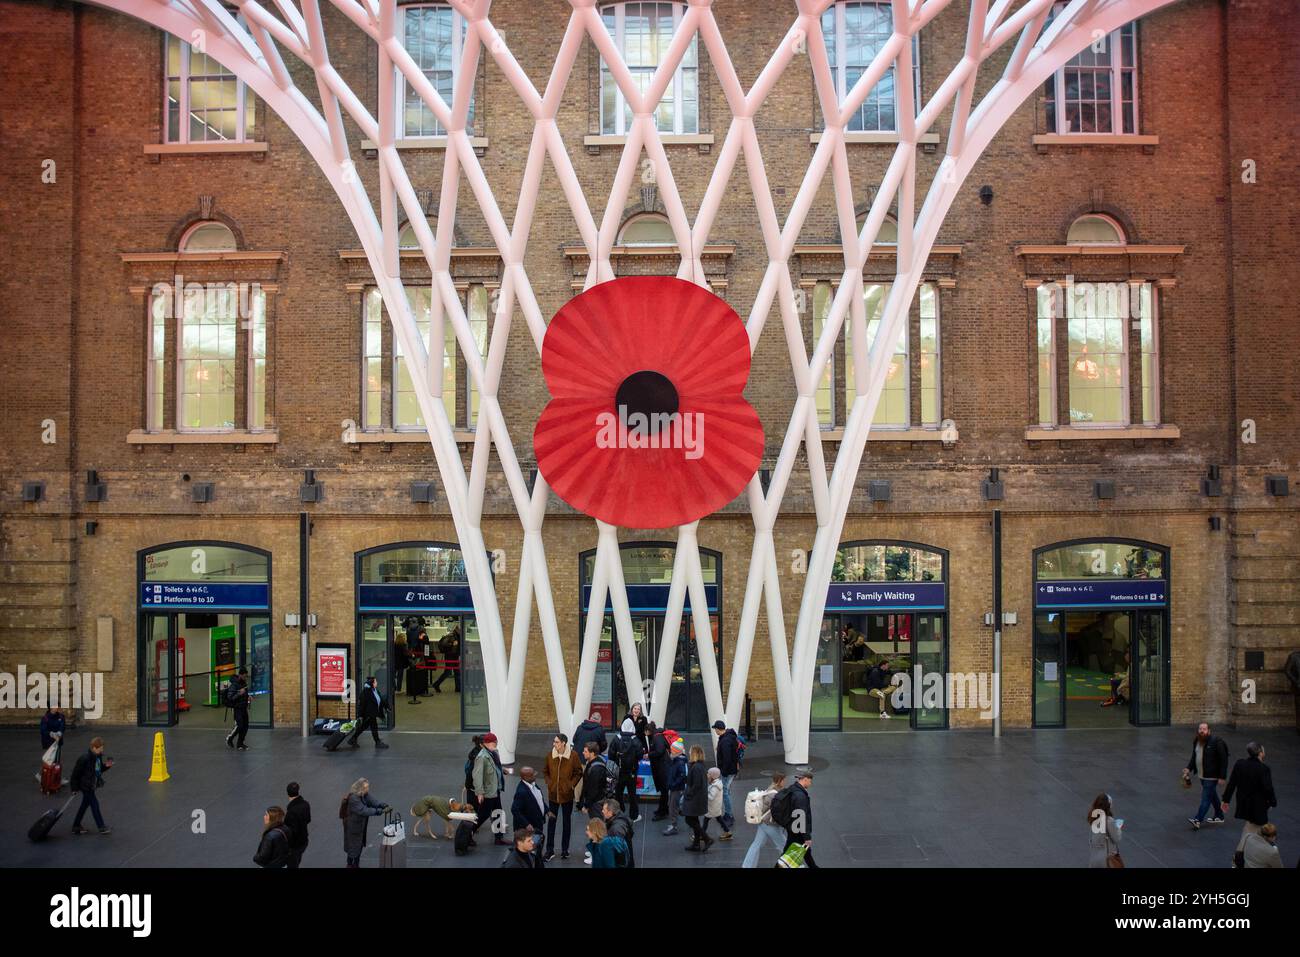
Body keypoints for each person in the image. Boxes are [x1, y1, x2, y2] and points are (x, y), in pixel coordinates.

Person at [1222, 741, 1277, 865]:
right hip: (1258, 808)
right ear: (1260, 753)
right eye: (1263, 750)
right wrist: (1273, 802)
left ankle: (1251, 857)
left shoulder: (1240, 764)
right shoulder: (1264, 769)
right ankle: (1238, 859)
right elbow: (1268, 788)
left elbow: (1232, 783)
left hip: (1244, 806)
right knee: (1250, 831)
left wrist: (1226, 800)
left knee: (1252, 830)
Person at [542, 732, 583, 861]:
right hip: (553, 795)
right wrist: (550, 783)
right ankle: (549, 850)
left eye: (556, 742)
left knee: (566, 823)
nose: (554, 744)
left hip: (567, 795)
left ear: (563, 743)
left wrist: (571, 785)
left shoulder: (573, 755)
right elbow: (545, 771)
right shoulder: (550, 755)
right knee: (551, 822)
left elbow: (578, 772)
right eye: (554, 742)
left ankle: (565, 850)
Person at [1182, 721, 1228, 829]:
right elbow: (1194, 756)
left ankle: (1198, 820)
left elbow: (1224, 760)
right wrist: (1188, 768)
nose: (1202, 731)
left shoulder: (1217, 742)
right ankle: (1219, 815)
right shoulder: (1197, 741)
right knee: (1212, 796)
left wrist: (1222, 776)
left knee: (1206, 798)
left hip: (1212, 776)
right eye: (1200, 729)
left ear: (1209, 731)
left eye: (1204, 729)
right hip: (1202, 775)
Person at [742, 772, 788, 868]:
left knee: (756, 845)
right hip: (770, 825)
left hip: (763, 823)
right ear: (780, 781)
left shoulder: (770, 789)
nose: (785, 782)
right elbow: (777, 811)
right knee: (785, 846)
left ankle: (747, 866)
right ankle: (794, 865)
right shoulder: (774, 794)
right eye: (784, 780)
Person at [68, 736, 112, 836]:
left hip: (92, 785)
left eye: (102, 748)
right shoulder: (84, 758)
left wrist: (107, 766)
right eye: (100, 748)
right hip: (86, 786)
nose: (102, 750)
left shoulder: (98, 757)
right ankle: (101, 827)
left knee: (84, 805)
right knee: (95, 805)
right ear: (94, 748)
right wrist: (74, 788)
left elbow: (99, 769)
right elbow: (75, 774)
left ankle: (76, 826)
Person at [341, 778, 388, 868]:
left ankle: (354, 863)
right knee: (354, 846)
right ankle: (351, 864)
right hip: (353, 827)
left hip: (360, 825)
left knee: (359, 845)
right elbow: (363, 810)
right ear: (360, 788)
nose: (368, 789)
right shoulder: (354, 798)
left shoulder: (363, 794)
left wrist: (381, 805)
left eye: (367, 787)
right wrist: (378, 811)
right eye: (366, 787)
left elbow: (372, 801)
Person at [471, 732, 508, 845]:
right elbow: (477, 776)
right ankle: (468, 833)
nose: (496, 744)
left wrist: (502, 771)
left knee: (498, 812)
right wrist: (480, 793)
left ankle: (499, 837)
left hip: (495, 789)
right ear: (488, 743)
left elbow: (495, 767)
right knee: (483, 815)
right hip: (488, 792)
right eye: (495, 742)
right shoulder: (482, 757)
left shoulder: (493, 753)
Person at [779, 769, 817, 868]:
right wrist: (806, 837)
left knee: (804, 854)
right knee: (794, 854)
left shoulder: (793, 788)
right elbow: (801, 816)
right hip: (798, 830)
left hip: (793, 828)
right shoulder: (800, 795)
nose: (810, 783)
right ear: (805, 779)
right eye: (810, 780)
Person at [610, 718, 645, 823]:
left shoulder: (616, 738)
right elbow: (640, 755)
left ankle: (618, 812)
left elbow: (611, 755)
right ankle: (634, 815)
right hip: (632, 771)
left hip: (619, 771)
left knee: (618, 792)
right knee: (632, 794)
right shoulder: (635, 740)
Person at [511, 766, 548, 864]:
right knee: (532, 851)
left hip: (537, 824)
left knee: (538, 846)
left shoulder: (533, 785)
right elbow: (514, 810)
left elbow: (539, 799)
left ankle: (538, 862)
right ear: (526, 778)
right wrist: (527, 824)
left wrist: (547, 810)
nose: (535, 775)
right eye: (532, 775)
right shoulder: (521, 792)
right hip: (528, 830)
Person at [711, 719, 741, 839]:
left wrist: (722, 772)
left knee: (725, 793)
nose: (715, 731)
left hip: (727, 771)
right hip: (731, 770)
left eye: (715, 729)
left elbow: (727, 759)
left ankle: (729, 815)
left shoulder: (725, 741)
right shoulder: (728, 738)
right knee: (726, 792)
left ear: (719, 729)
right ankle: (728, 814)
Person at [682, 744, 712, 852]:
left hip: (695, 798)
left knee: (689, 819)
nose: (689, 753)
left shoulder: (696, 767)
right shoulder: (699, 765)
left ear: (694, 753)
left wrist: (688, 794)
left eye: (690, 752)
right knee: (694, 820)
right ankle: (696, 844)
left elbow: (696, 784)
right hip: (698, 798)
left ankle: (707, 839)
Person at [347, 676, 390, 749]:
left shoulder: (374, 690)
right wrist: (360, 715)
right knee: (374, 727)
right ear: (372, 683)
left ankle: (353, 739)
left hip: (372, 713)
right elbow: (362, 705)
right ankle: (377, 742)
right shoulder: (366, 692)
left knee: (364, 726)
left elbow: (380, 699)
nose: (377, 683)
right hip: (368, 714)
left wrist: (387, 707)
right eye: (375, 682)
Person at [1086, 793, 1123, 868]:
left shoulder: (1094, 818)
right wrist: (1118, 827)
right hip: (1106, 859)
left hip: (1094, 858)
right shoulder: (1109, 821)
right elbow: (1117, 838)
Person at [601, 798, 636, 868]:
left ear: (610, 812)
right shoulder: (620, 816)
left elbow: (619, 853)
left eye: (604, 810)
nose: (602, 811)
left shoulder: (616, 830)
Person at [284, 781, 312, 869]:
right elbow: (308, 820)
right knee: (297, 860)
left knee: (292, 864)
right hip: (304, 840)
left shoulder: (291, 812)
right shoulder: (306, 804)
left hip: (294, 846)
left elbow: (291, 832)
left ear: (287, 793)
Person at [663, 738, 687, 836]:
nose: (670, 751)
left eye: (672, 750)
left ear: (676, 751)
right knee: (672, 805)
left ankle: (673, 826)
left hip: (676, 788)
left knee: (673, 807)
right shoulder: (676, 759)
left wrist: (673, 785)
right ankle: (673, 825)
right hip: (674, 788)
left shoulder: (679, 762)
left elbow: (682, 776)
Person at [647, 722, 671, 821]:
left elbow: (659, 751)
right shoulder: (659, 736)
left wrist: (649, 754)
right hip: (663, 767)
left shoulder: (657, 738)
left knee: (664, 791)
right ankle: (663, 809)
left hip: (663, 768)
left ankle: (662, 812)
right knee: (664, 791)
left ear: (648, 731)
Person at [580, 741, 609, 820]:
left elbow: (593, 790)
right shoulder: (596, 760)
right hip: (597, 800)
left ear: (592, 753)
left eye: (585, 751)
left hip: (596, 803)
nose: (583, 753)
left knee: (597, 825)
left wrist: (586, 805)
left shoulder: (596, 769)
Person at [225, 667, 251, 750]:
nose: (245, 678)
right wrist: (239, 694)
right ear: (240, 675)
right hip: (237, 708)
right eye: (244, 676)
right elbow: (230, 697)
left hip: (244, 707)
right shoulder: (234, 685)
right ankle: (230, 738)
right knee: (239, 726)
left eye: (246, 676)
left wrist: (248, 696)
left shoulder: (244, 683)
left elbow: (245, 693)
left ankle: (240, 744)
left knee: (245, 726)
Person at [432, 624, 461, 693]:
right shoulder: (451, 635)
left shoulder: (458, 636)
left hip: (455, 656)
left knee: (457, 672)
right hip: (450, 656)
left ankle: (458, 688)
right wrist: (452, 644)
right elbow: (444, 644)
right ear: (457, 629)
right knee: (447, 672)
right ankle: (436, 684)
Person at [406, 631, 429, 704]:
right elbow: (426, 650)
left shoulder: (416, 639)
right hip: (421, 659)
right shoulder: (425, 639)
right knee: (421, 671)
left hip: (418, 658)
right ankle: (423, 688)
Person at [704, 766, 724, 841]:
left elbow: (711, 797)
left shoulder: (715, 786)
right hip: (715, 807)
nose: (707, 776)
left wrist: (704, 794)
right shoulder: (716, 783)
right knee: (719, 819)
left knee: (706, 820)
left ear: (713, 776)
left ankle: (702, 834)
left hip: (712, 807)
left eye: (708, 774)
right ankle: (727, 831)